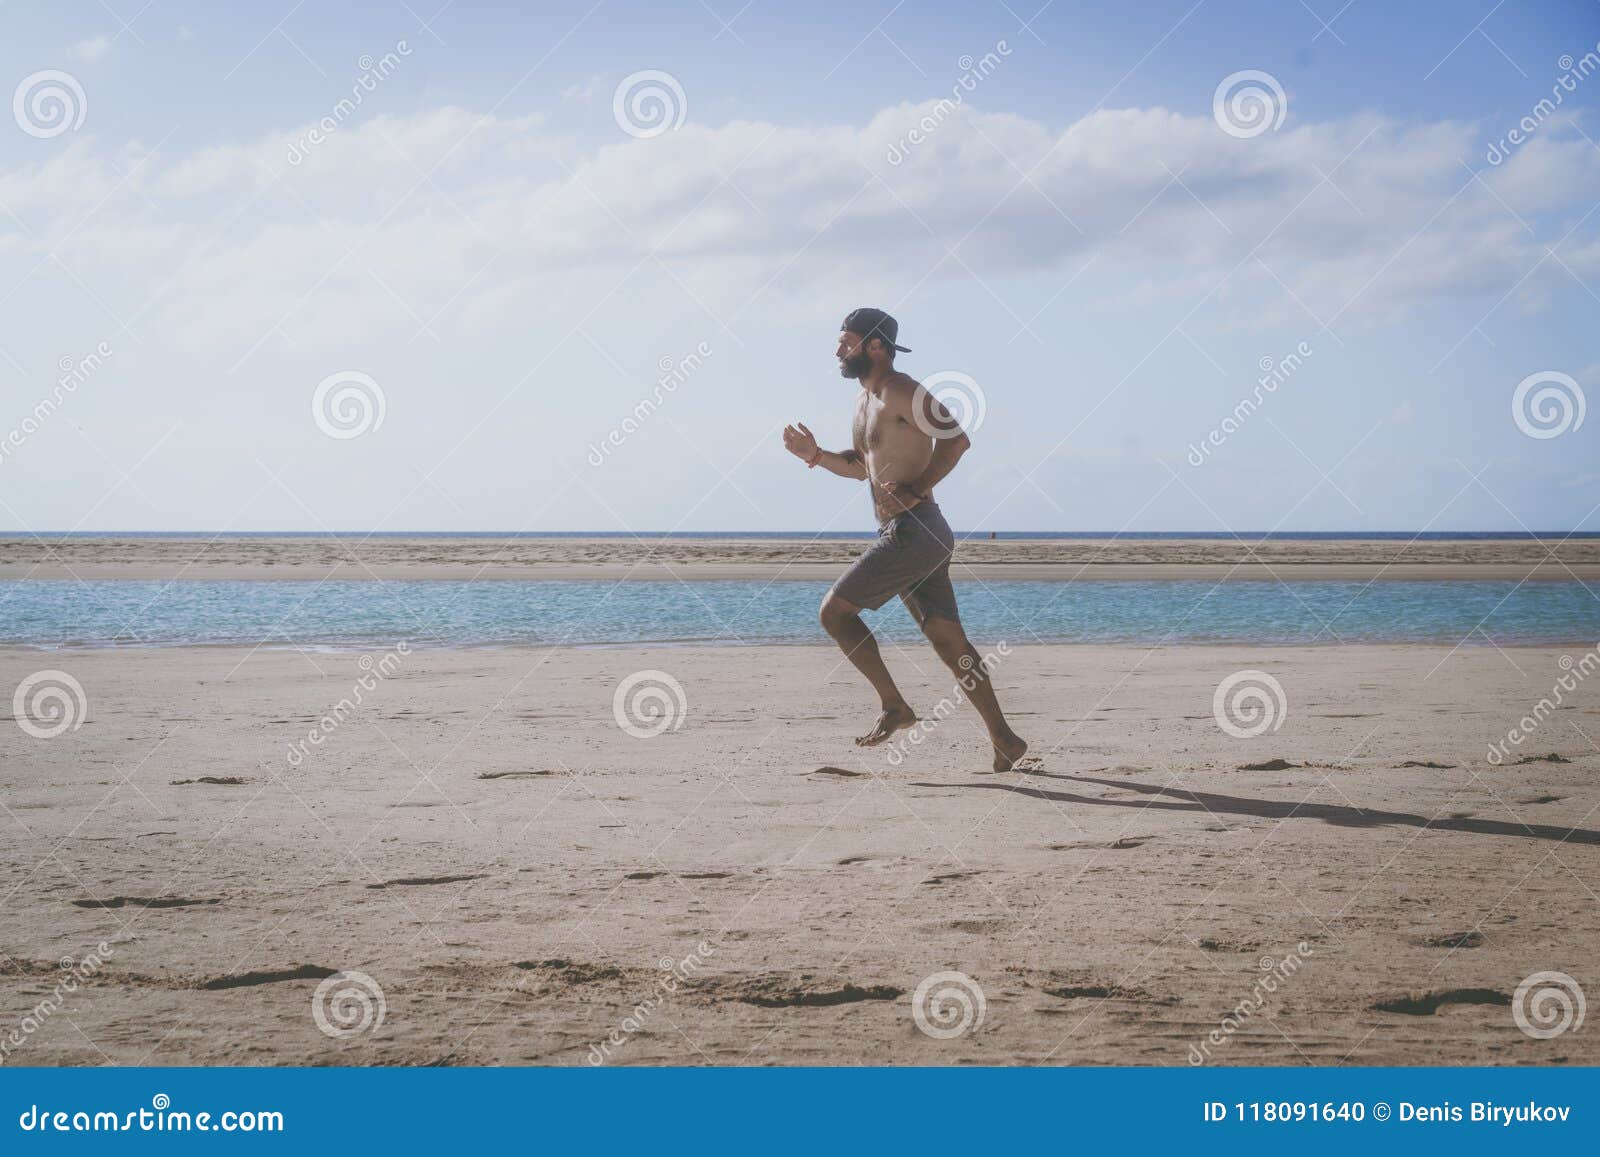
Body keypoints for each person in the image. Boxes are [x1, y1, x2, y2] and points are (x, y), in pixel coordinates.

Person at [782, 308, 1028, 773]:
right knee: (948, 640)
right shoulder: (863, 403)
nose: (837, 351)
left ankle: (894, 705)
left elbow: (955, 440)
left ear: (875, 346)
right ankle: (1005, 739)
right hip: (910, 533)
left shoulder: (903, 390)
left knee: (835, 613)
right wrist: (814, 456)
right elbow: (862, 469)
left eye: (846, 342)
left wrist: (918, 487)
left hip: (917, 529)